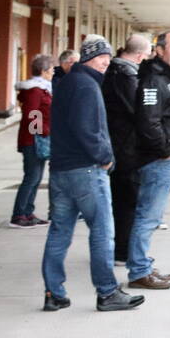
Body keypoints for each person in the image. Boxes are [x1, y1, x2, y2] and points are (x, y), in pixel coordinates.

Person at [40, 35, 144, 313]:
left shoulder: (67, 82)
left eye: (109, 58)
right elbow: (87, 130)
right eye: (101, 58)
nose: (106, 63)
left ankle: (54, 293)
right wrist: (106, 158)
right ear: (88, 58)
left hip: (61, 170)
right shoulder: (86, 86)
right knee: (102, 231)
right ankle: (108, 292)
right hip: (85, 170)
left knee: (60, 231)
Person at [127, 31, 170, 290]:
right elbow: (148, 121)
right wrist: (165, 150)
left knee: (149, 217)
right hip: (157, 159)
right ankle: (139, 272)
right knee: (147, 217)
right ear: (160, 50)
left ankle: (142, 265)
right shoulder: (154, 80)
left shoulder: (165, 76)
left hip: (163, 158)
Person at [102, 34, 151, 265]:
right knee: (128, 201)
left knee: (117, 201)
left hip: (112, 145)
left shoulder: (110, 71)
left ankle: (115, 248)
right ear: (141, 55)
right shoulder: (126, 75)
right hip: (125, 148)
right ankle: (122, 251)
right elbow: (138, 111)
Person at [11, 54, 54, 228]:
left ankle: (28, 212)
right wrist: (44, 132)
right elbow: (32, 114)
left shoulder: (42, 88)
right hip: (33, 140)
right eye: (51, 70)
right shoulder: (35, 91)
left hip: (37, 138)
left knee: (35, 178)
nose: (52, 73)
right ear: (43, 71)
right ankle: (19, 214)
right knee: (31, 177)